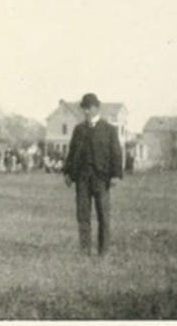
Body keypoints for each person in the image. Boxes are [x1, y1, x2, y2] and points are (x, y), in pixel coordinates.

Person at [63, 93, 123, 256]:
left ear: (97, 108)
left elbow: (116, 153)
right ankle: (85, 251)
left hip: (101, 179)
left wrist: (116, 175)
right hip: (82, 179)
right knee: (83, 216)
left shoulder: (109, 130)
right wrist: (68, 173)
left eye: (89, 108)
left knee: (103, 216)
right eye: (84, 108)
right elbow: (72, 152)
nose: (86, 111)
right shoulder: (78, 130)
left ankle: (103, 252)